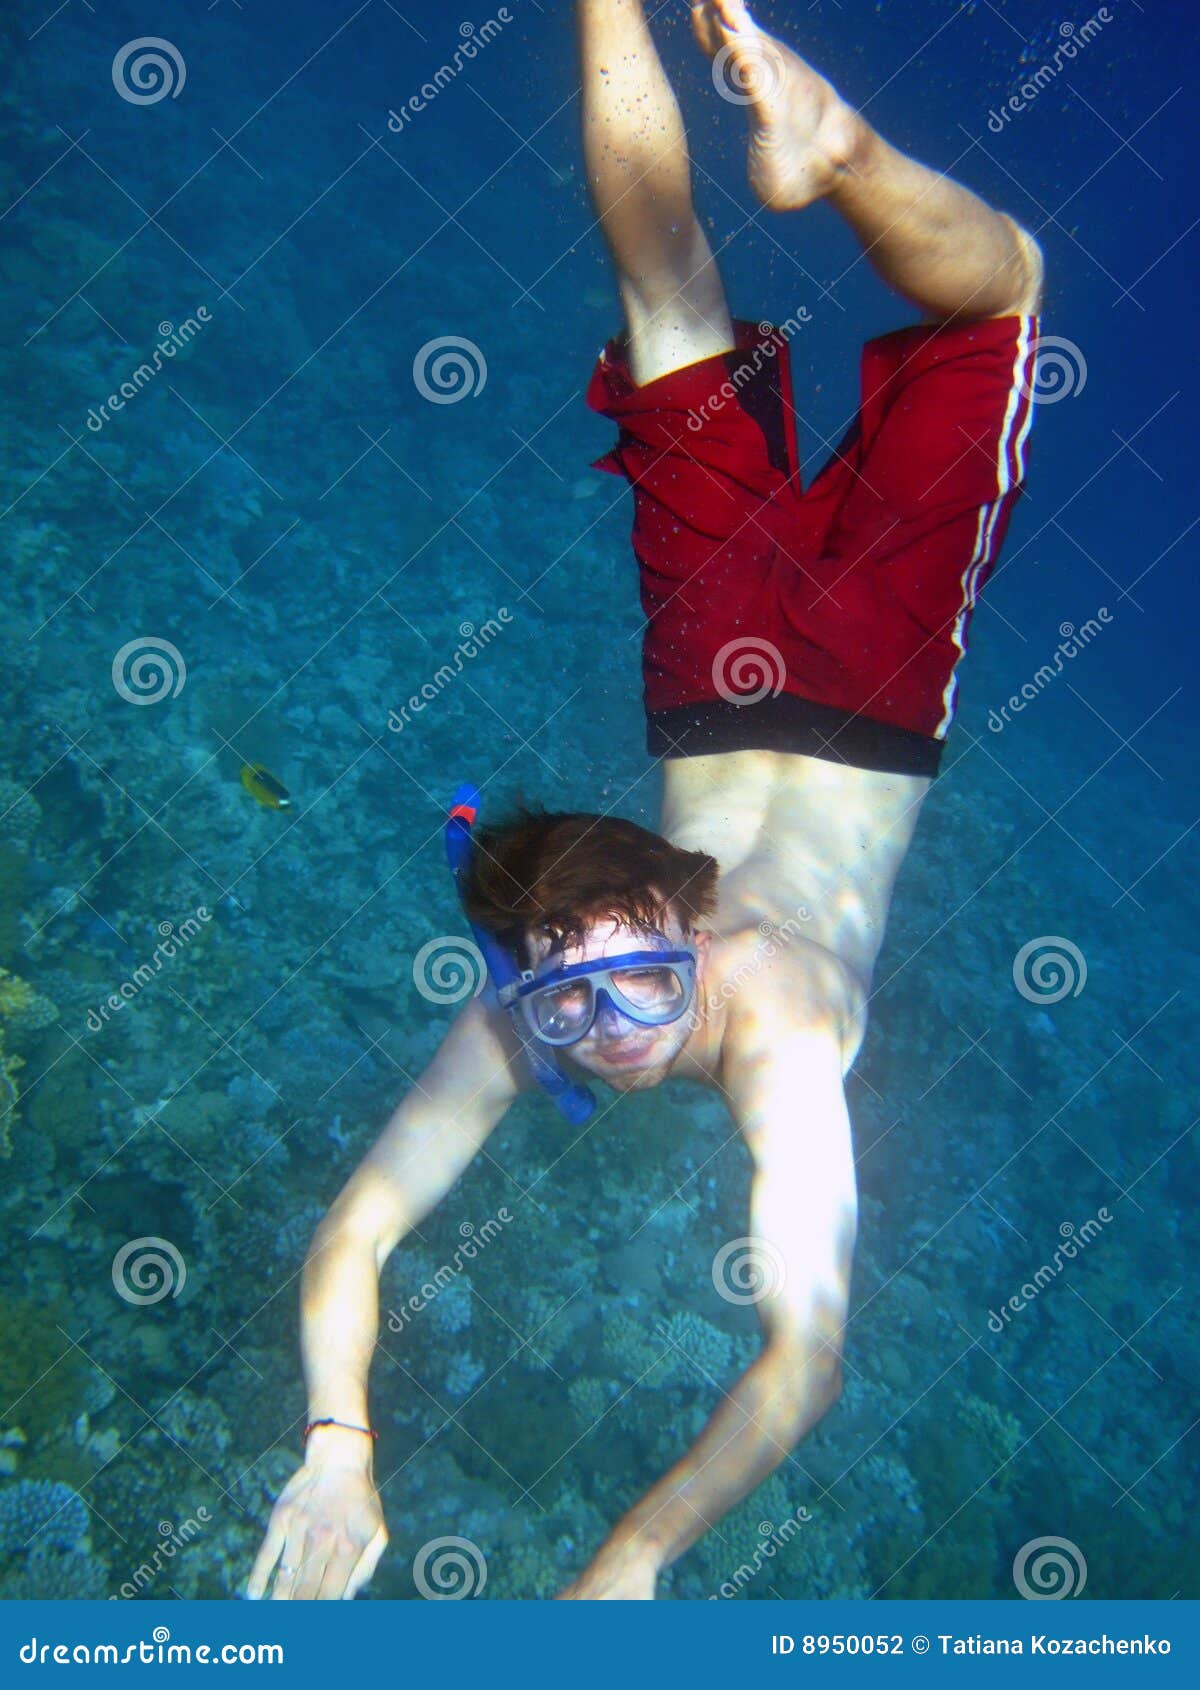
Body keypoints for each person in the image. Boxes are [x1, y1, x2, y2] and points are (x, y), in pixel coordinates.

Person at [247, 0, 1043, 1601]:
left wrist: (630, 1556)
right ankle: (791, 122)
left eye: (631, 982)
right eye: (588, 997)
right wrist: (338, 1438)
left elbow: (804, 1363)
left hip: (868, 678)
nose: (610, 1027)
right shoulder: (541, 998)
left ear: (688, 924)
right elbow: (358, 1234)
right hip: (716, 661)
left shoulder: (785, 1033)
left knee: (995, 298)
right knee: (670, 284)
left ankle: (835, 146)